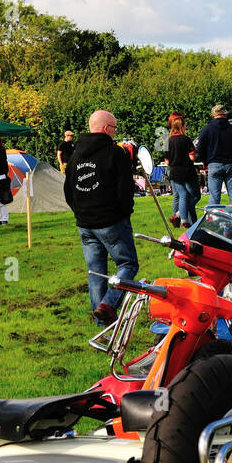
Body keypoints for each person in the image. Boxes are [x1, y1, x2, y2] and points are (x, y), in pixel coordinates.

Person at [63, 109, 139, 325]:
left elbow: (68, 191)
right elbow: (125, 190)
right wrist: (123, 212)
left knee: (96, 273)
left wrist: (80, 212)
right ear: (106, 129)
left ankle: (101, 322)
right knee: (128, 264)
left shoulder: (75, 155)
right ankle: (108, 305)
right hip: (111, 221)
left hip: (85, 224)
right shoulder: (116, 153)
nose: (115, 133)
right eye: (114, 129)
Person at [195, 103, 232, 207]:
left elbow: (199, 149)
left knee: (214, 196)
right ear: (225, 115)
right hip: (231, 164)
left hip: (214, 165)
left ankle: (212, 219)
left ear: (213, 115)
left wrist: (205, 162)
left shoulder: (207, 130)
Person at [164, 112, 200, 228]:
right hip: (187, 172)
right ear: (182, 126)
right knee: (195, 196)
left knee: (182, 195)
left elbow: (167, 161)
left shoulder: (168, 141)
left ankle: (183, 219)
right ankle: (180, 215)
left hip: (174, 173)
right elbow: (192, 157)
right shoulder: (186, 139)